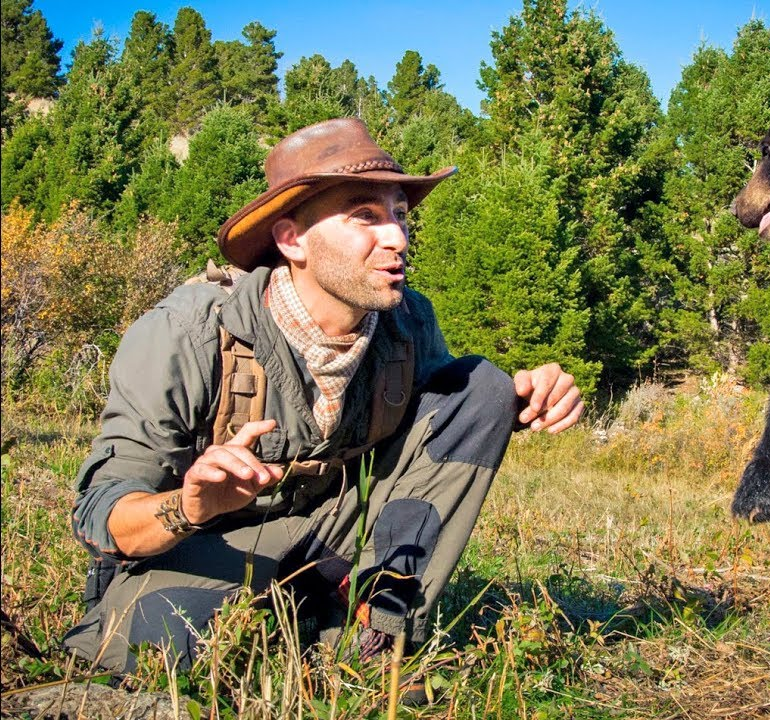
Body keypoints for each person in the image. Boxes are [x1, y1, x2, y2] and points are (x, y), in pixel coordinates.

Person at [62, 118, 584, 673]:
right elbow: (101, 514)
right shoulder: (186, 332)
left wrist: (519, 400)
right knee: (164, 651)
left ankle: (377, 639)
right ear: (292, 239)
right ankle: (299, 625)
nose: (398, 238)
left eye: (401, 216)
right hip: (213, 547)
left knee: (480, 384)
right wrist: (188, 507)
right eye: (366, 216)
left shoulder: (408, 322)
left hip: (334, 533)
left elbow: (453, 417)